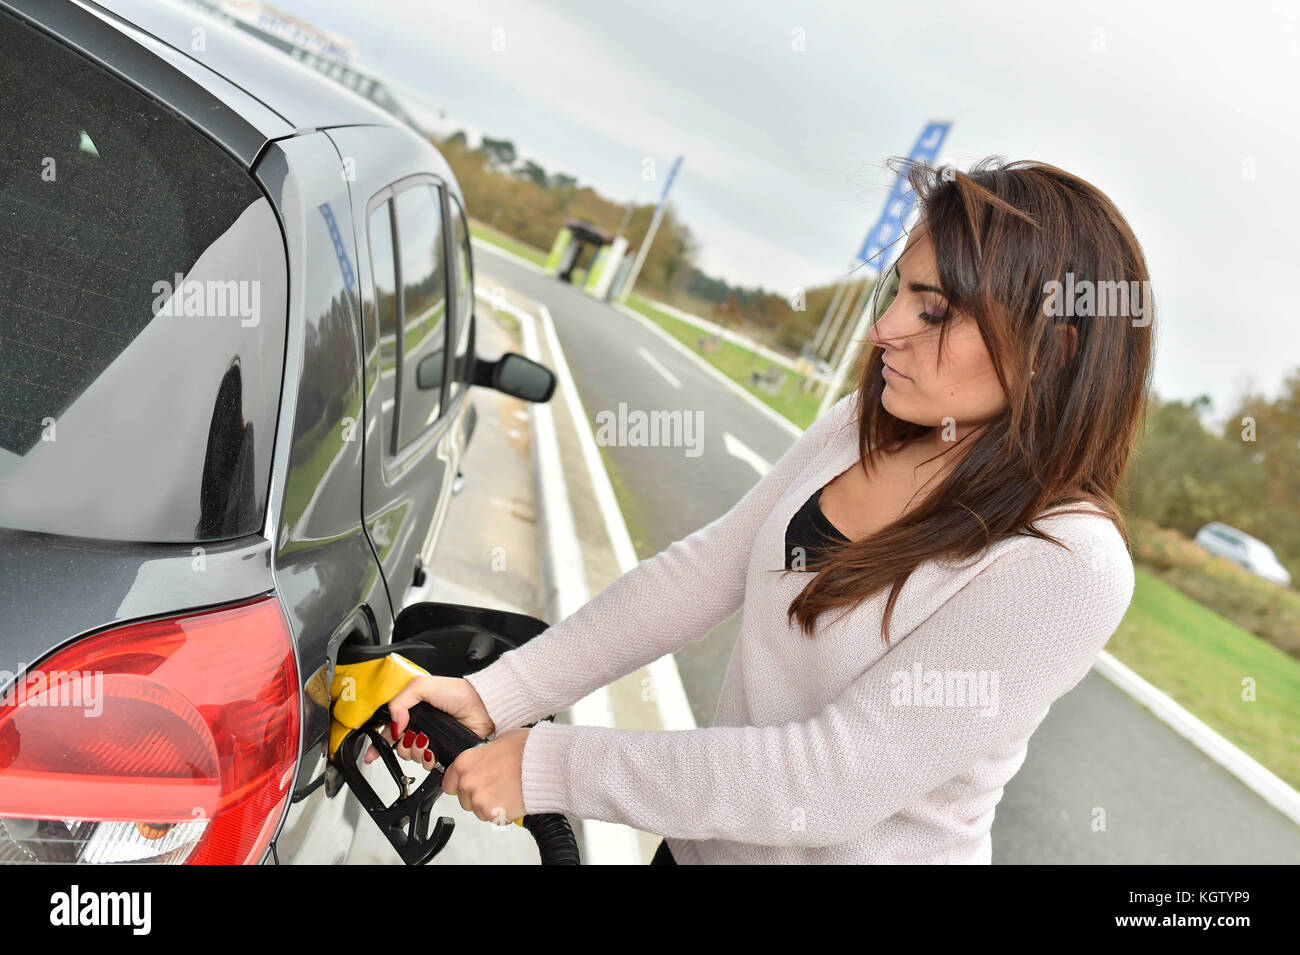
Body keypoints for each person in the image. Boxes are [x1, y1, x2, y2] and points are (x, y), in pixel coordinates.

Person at [369, 155, 1154, 864]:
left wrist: (551, 767)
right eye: (899, 294)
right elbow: (700, 574)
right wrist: (497, 693)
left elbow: (833, 777)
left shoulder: (1065, 564)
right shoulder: (862, 424)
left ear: (1056, 350)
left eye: (937, 311)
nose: (884, 331)